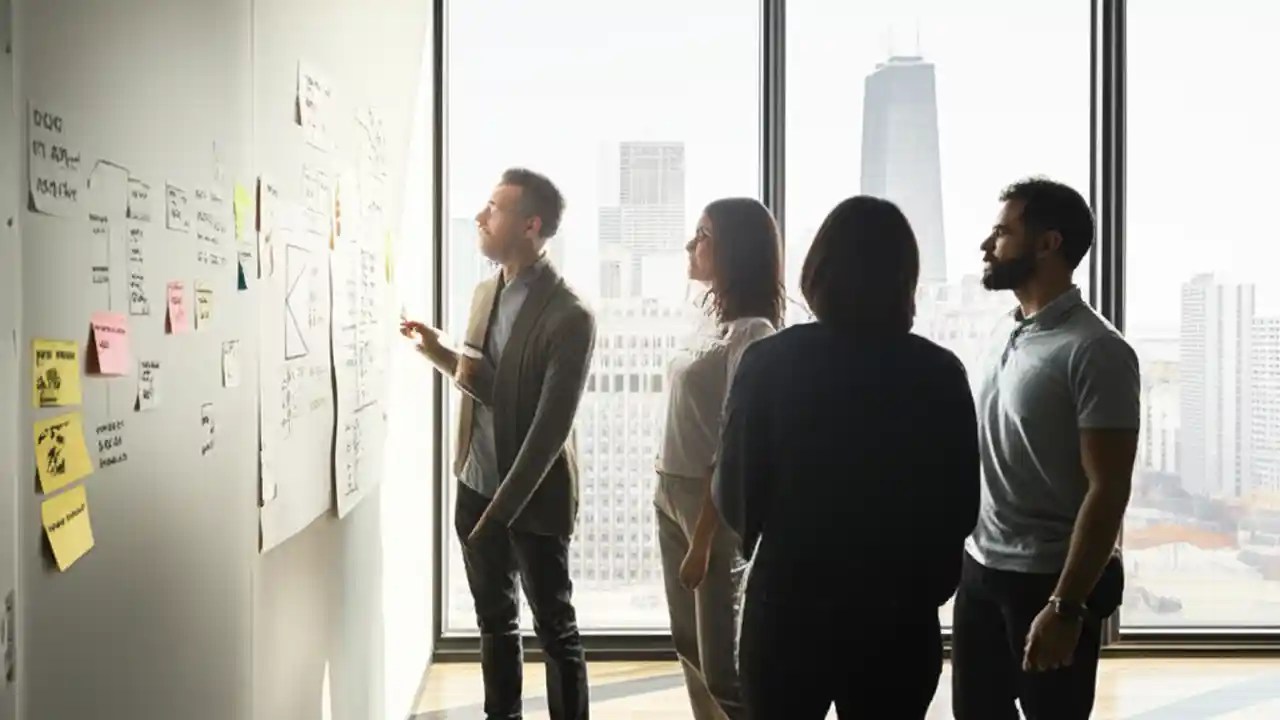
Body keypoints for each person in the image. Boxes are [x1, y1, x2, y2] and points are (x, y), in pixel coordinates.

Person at [713, 196, 980, 719]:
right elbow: (959, 505)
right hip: (897, 613)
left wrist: (760, 540)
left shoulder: (768, 362)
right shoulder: (940, 373)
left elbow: (736, 490)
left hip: (789, 603)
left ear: (818, 270)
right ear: (906, 277)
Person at [401, 168, 595, 720]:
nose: (482, 218)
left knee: (554, 627)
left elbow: (547, 430)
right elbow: (490, 387)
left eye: (494, 208)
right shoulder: (487, 291)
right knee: (495, 621)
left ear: (531, 225)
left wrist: (500, 514)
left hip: (530, 496)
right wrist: (435, 349)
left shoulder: (571, 316)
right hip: (476, 483)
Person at [950, 178, 1139, 720]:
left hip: (1050, 579)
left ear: (1048, 243)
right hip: (982, 569)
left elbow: (1109, 489)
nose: (988, 245)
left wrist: (1066, 605)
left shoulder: (1097, 350)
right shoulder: (1002, 333)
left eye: (1003, 232)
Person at [655, 198, 783, 720]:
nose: (692, 244)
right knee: (686, 642)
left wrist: (704, 539)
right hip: (669, 488)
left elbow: (733, 445)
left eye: (703, 235)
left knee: (720, 663)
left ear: (735, 250)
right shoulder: (708, 320)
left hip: (709, 501)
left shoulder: (754, 333)